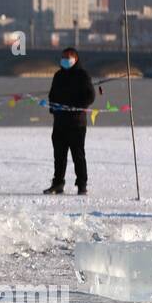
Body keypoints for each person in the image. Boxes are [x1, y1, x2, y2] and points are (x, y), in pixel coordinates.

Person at [44, 47, 95, 195]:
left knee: (78, 155)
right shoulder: (58, 75)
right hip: (60, 122)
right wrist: (53, 109)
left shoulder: (82, 75)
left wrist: (75, 106)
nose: (65, 60)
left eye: (68, 57)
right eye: (63, 57)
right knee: (59, 155)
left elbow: (90, 96)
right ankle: (58, 183)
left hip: (76, 123)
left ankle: (82, 184)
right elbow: (52, 95)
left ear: (75, 59)